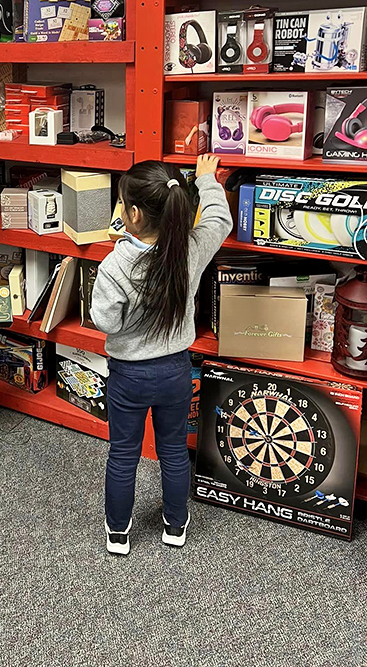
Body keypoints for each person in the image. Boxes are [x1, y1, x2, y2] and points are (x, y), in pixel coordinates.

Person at [90, 154, 231, 554]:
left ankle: (118, 533)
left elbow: (107, 322)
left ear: (133, 213)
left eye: (121, 203)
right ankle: (175, 525)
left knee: (122, 455)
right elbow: (220, 221)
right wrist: (206, 179)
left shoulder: (116, 264)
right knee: (172, 450)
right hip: (174, 372)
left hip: (128, 377)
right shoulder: (190, 249)